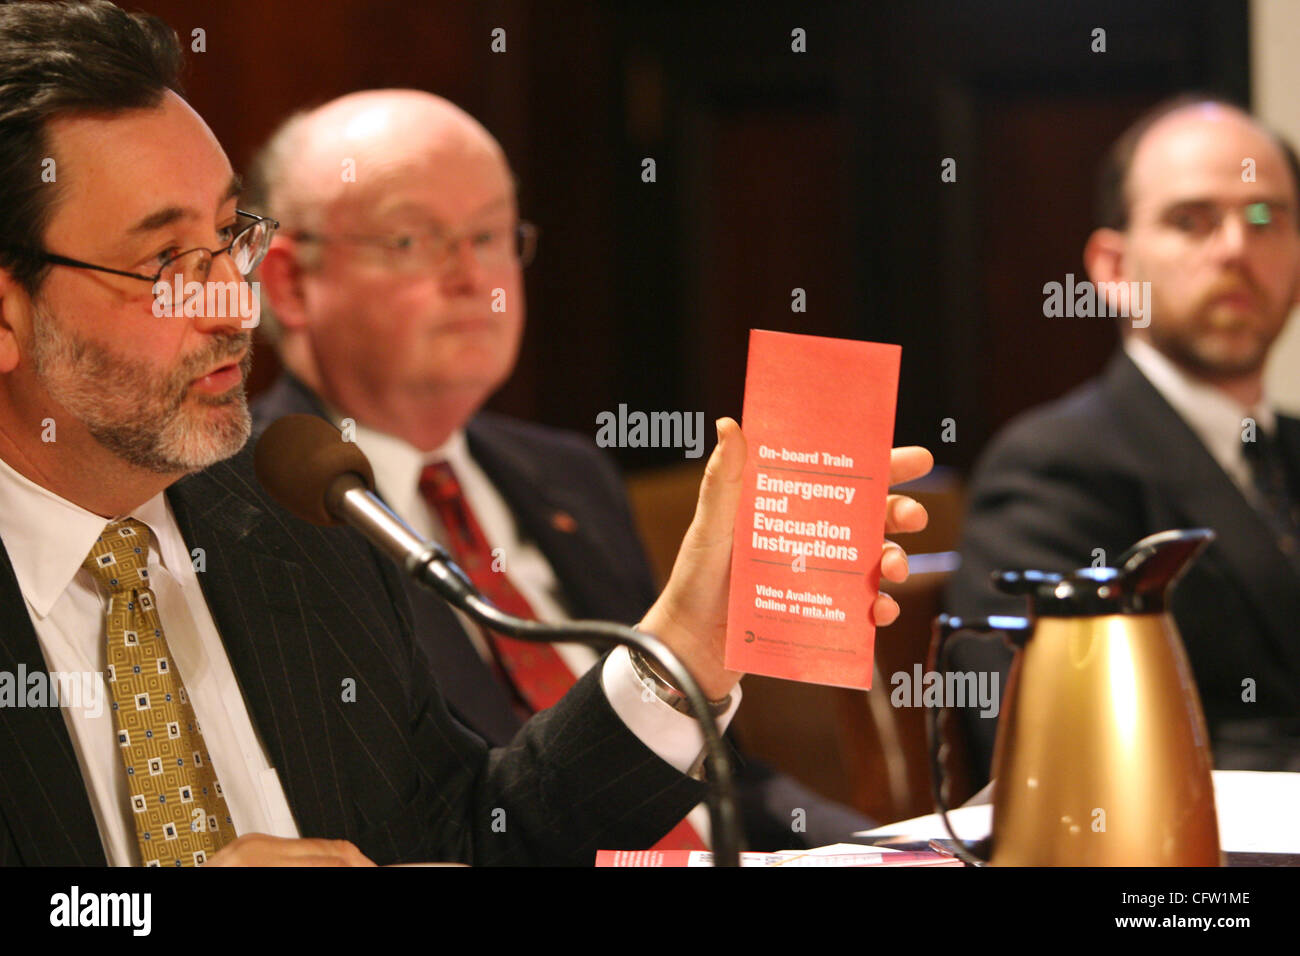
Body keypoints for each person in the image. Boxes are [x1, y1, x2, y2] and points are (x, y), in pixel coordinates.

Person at [0, 1, 931, 865]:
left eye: (227, 236)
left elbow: (472, 832)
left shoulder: (293, 512)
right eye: (166, 261)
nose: (234, 304)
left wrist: (687, 643)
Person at [248, 89, 880, 848]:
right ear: (289, 283)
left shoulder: (567, 472)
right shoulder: (249, 512)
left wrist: (901, 852)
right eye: (414, 240)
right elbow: (432, 827)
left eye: (491, 235)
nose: (472, 275)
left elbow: (722, 781)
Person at [947, 96, 1300, 784]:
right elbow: (1054, 755)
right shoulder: (1053, 465)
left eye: (1266, 218)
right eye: (1190, 221)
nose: (1236, 247)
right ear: (1112, 270)